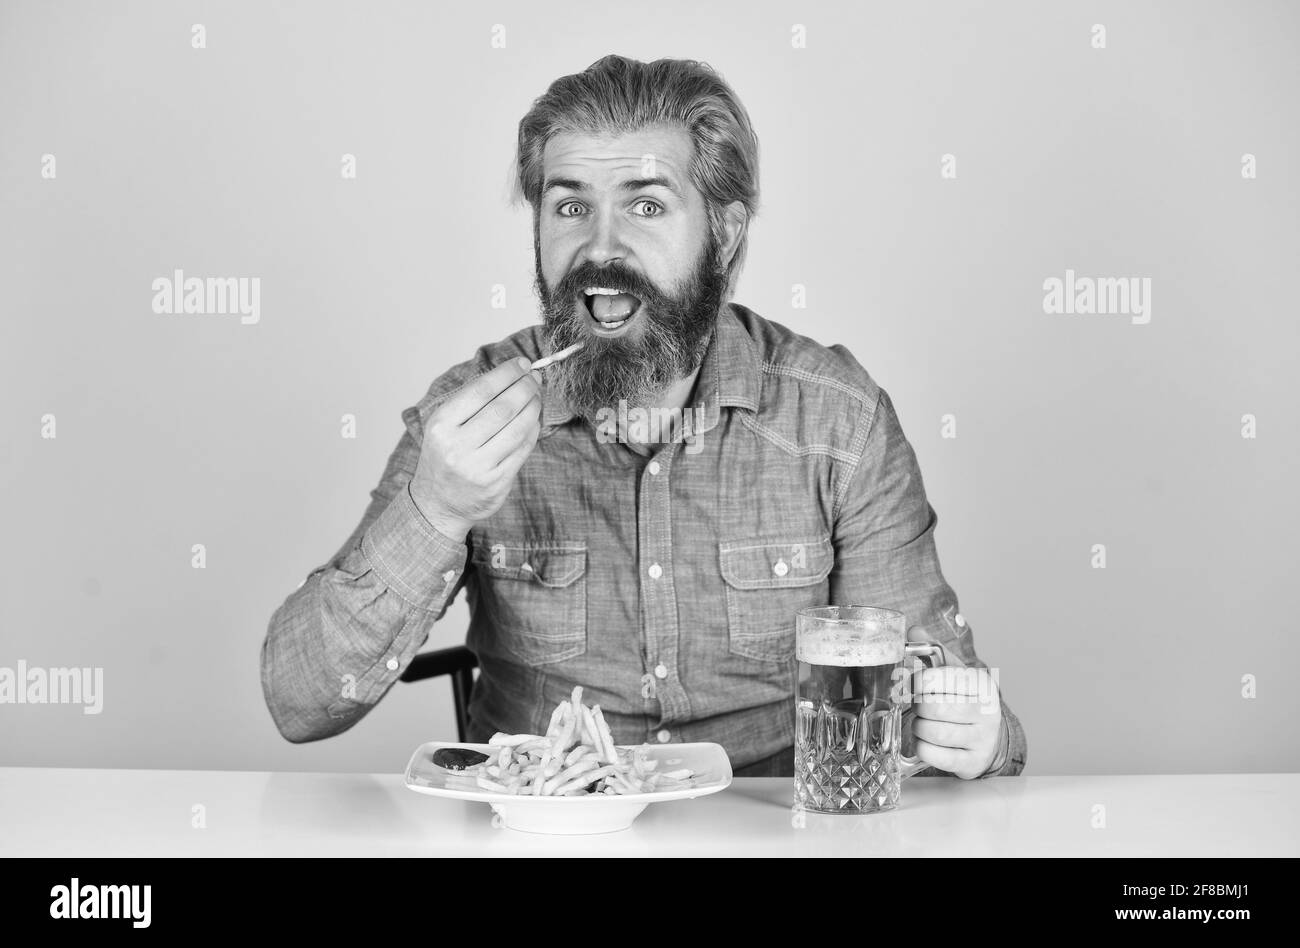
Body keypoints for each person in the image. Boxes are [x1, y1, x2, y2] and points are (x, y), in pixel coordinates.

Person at [260, 54, 1027, 779]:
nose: (602, 246)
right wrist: (434, 511)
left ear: (723, 235)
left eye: (648, 206)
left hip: (776, 836)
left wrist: (982, 738)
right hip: (544, 838)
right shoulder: (466, 415)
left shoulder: (837, 424)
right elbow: (299, 700)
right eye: (570, 206)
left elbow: (946, 697)